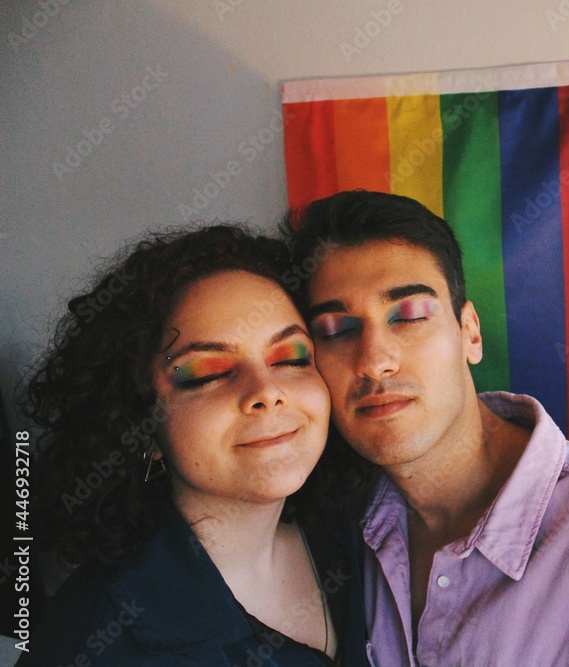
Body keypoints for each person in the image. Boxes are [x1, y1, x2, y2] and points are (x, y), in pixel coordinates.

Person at [288, 191, 569, 666]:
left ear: (470, 333)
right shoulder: (338, 531)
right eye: (337, 330)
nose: (375, 361)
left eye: (409, 316)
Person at [18, 225, 368, 666]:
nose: (267, 391)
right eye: (208, 373)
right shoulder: (99, 643)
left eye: (290, 358)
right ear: (141, 423)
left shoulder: (358, 541)